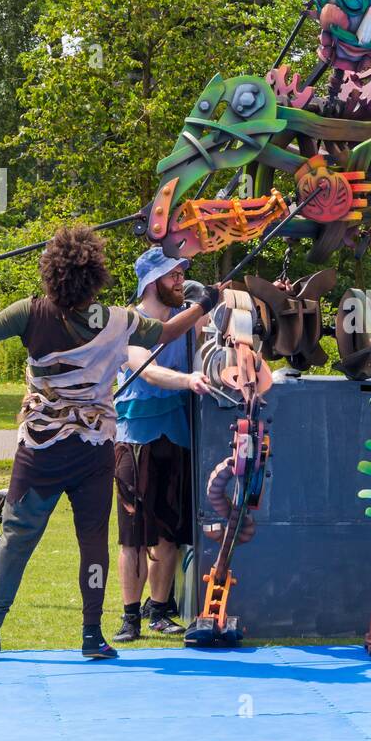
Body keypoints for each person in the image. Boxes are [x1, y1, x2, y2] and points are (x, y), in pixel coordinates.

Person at [0, 225, 222, 660]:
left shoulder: (31, 312)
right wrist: (205, 303)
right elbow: (167, 333)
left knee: (17, 538)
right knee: (93, 541)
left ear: (51, 274)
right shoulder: (119, 320)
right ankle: (93, 635)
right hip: (94, 450)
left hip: (41, 451)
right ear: (95, 276)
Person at [112, 247, 214, 642]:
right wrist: (188, 380)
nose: (181, 280)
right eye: (174, 275)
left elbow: (224, 318)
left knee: (168, 533)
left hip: (177, 434)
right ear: (153, 282)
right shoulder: (127, 323)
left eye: (182, 274)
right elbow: (148, 372)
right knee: (133, 536)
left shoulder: (187, 320)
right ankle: (130, 617)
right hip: (134, 438)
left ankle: (159, 610)